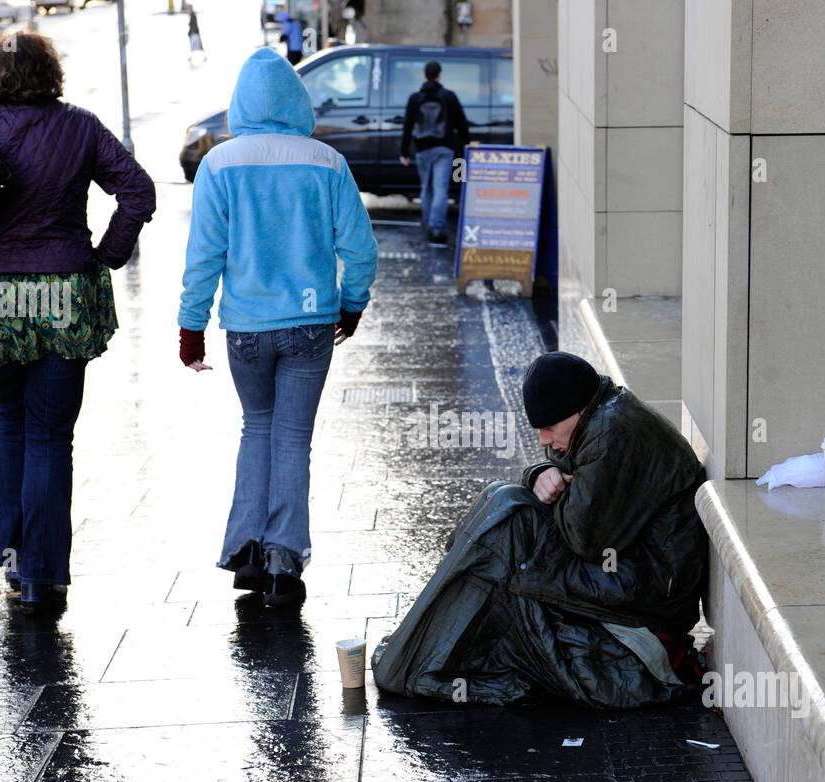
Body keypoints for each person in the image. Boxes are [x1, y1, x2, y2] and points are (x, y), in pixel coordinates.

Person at [372, 352, 709, 708]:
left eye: (549, 427)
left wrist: (549, 483)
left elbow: (584, 538)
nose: (544, 440)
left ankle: (415, 656)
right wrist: (538, 473)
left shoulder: (612, 433)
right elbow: (567, 483)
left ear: (578, 411)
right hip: (629, 567)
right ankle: (421, 646)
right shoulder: (600, 414)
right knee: (500, 501)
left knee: (507, 522)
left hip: (648, 590)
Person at [0, 33, 155, 612]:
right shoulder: (82, 126)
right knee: (49, 435)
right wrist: (107, 256)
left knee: (9, 425)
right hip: (63, 289)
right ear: (51, 72)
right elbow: (137, 192)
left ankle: (13, 561)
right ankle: (44, 575)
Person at [178, 47, 376, 607]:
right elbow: (360, 249)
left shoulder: (219, 163)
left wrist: (191, 327)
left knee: (256, 428)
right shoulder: (327, 162)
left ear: (240, 101)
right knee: (293, 439)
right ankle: (285, 562)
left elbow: (203, 256)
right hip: (312, 323)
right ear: (297, 99)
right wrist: (351, 304)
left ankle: (245, 551)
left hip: (246, 327)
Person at [399, 60, 469, 248]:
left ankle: (430, 225)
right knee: (440, 189)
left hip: (422, 149)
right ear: (439, 75)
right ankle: (437, 228)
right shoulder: (449, 97)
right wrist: (468, 145)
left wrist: (404, 152)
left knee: (426, 188)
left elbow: (407, 126)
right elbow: (461, 123)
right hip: (444, 149)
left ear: (424, 75)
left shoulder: (415, 98)